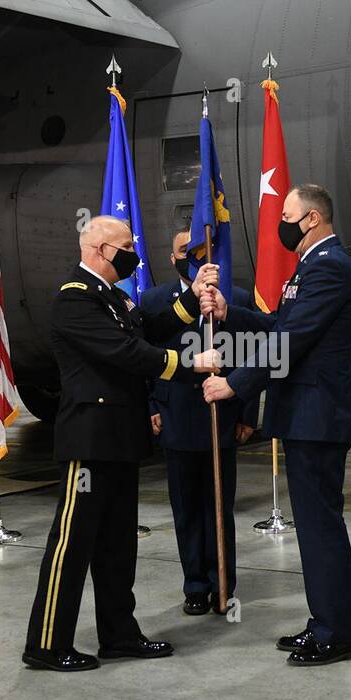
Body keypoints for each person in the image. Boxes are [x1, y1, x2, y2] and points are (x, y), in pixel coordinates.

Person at [22, 216, 220, 673]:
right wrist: (192, 363)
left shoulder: (109, 298)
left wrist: (192, 298)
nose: (133, 253)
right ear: (99, 250)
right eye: (126, 246)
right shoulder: (74, 300)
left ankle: (119, 634)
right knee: (71, 545)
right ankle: (47, 643)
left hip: (119, 438)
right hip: (89, 442)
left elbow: (146, 329)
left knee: (117, 545)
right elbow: (125, 352)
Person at [200, 184, 351, 666]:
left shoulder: (330, 267)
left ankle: (338, 634)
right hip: (306, 415)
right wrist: (232, 314)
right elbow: (279, 325)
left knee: (320, 528)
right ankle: (325, 622)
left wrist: (235, 385)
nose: (283, 224)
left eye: (289, 215)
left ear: (312, 218)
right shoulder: (312, 265)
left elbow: (291, 342)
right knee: (314, 528)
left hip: (319, 417)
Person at [141, 231, 258, 616]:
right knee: (186, 507)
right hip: (176, 414)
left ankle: (223, 583)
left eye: (202, 252)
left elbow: (251, 359)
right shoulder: (156, 301)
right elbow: (145, 359)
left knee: (220, 507)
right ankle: (195, 584)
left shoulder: (237, 300)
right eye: (184, 253)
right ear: (172, 257)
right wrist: (152, 405)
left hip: (222, 416)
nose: (192, 259)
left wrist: (246, 413)